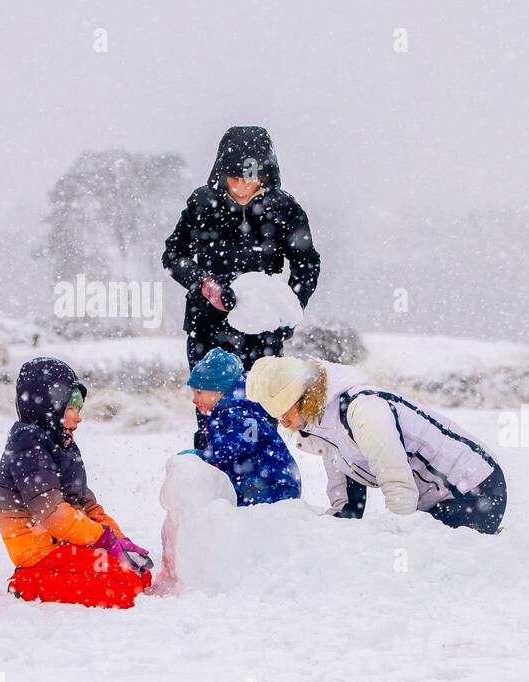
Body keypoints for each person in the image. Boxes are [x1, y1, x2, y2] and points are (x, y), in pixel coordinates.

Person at [162, 125, 322, 448]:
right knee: (212, 416)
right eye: (233, 178)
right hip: (207, 329)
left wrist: (286, 312)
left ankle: (264, 488)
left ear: (266, 174)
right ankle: (213, 481)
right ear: (220, 172)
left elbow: (307, 265)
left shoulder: (284, 210)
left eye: (249, 178)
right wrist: (206, 286)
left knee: (260, 412)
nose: (241, 187)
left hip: (261, 337)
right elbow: (173, 254)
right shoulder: (202, 204)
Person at [246, 356, 506, 533]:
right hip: (435, 497)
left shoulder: (364, 410)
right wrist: (334, 525)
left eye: (285, 413)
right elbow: (345, 486)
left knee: (434, 564)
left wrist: (395, 545)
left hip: (475, 489)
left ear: (303, 399)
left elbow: (398, 484)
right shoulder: (324, 424)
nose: (285, 424)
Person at [0, 358, 153, 608]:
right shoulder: (28, 448)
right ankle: (28, 583)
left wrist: (120, 541)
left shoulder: (62, 445)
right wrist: (105, 540)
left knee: (139, 574)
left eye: (79, 410)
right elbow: (54, 515)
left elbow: (88, 505)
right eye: (71, 409)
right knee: (122, 588)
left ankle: (58, 578)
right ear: (49, 407)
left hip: (66, 543)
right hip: (40, 552)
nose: (78, 418)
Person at [184, 347, 302, 506]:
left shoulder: (239, 414)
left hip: (273, 490)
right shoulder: (230, 412)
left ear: (219, 390)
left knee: (247, 524)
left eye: (199, 392)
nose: (194, 400)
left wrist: (201, 457)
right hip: (260, 487)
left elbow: (237, 447)